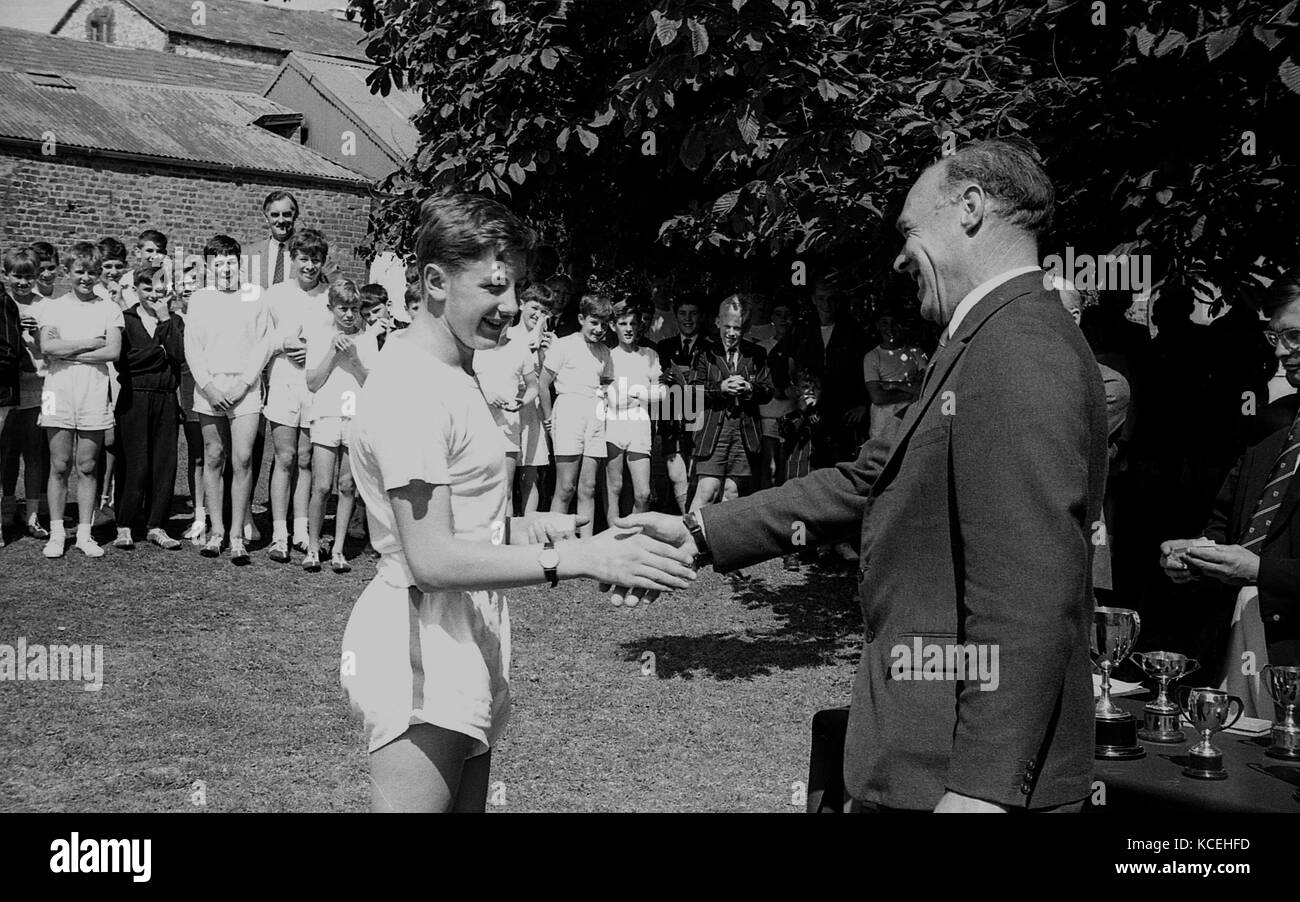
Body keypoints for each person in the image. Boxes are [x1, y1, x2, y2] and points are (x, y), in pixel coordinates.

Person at [618, 140, 1109, 813]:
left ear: (971, 209)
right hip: (922, 758)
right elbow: (867, 479)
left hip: (959, 779)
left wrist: (983, 788)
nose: (900, 256)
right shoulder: (989, 339)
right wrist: (700, 531)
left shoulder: (1018, 347)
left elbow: (1030, 585)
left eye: (910, 230)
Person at [340, 192, 696, 813]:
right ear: (434, 281)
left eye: (516, 288)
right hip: (419, 637)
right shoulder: (412, 389)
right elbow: (431, 559)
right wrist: (575, 559)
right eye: (494, 289)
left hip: (463, 630)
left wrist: (527, 526)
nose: (510, 308)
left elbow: (458, 521)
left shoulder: (456, 371)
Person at [1160, 267, 1300, 713]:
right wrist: (1198, 558)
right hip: (1233, 653)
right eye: (1275, 337)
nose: (1281, 354)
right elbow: (1225, 525)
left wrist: (1261, 572)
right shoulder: (1270, 425)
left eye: (1295, 336)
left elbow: (1255, 562)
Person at [183, 235, 271, 564]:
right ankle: (216, 531)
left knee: (244, 458)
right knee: (213, 457)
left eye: (230, 262)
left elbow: (263, 342)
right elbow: (193, 347)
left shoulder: (255, 296)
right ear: (208, 266)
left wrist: (244, 384)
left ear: (239, 264)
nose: (225, 268)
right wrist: (209, 386)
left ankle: (237, 534)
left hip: (245, 390)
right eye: (217, 263)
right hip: (210, 390)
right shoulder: (200, 300)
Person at [38, 242, 125, 558]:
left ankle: (85, 535)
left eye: (92, 272)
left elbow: (112, 351)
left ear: (99, 274)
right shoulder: (54, 305)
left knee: (87, 465)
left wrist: (69, 352)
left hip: (93, 391)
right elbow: (48, 348)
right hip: (56, 391)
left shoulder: (108, 308)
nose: (86, 278)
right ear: (67, 272)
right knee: (59, 463)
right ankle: (58, 533)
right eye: (79, 272)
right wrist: (90, 343)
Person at [263, 229, 331, 561]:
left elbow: (335, 341)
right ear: (294, 259)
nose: (309, 266)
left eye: (315, 260)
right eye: (303, 258)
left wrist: (313, 353)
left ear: (323, 262)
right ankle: (279, 534)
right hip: (283, 382)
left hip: (314, 385)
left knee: (305, 459)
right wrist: (284, 345)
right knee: (285, 458)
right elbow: (262, 339)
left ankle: (301, 530)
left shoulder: (329, 297)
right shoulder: (274, 294)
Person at [304, 279, 377, 573]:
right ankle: (312, 545)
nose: (348, 314)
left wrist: (355, 358)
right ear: (331, 308)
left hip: (355, 416)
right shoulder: (321, 336)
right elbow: (312, 382)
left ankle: (338, 549)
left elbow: (370, 382)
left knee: (347, 485)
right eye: (342, 308)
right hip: (327, 414)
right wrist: (333, 354)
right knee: (322, 486)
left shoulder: (368, 338)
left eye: (353, 309)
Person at [113, 266, 184, 550]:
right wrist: (160, 352)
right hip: (134, 397)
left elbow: (178, 355)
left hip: (166, 397)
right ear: (137, 290)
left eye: (159, 289)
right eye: (147, 289)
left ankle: (157, 525)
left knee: (163, 463)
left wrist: (166, 321)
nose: (154, 295)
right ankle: (125, 524)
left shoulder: (174, 320)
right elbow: (125, 362)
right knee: (133, 462)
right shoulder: (126, 319)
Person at [604, 299, 663, 603]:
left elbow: (662, 393)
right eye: (622, 324)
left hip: (640, 426)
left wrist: (638, 394)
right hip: (613, 427)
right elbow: (609, 398)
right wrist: (633, 395)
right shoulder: (607, 355)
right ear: (614, 326)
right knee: (614, 486)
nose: (628, 329)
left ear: (639, 326)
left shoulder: (650, 355)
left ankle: (637, 539)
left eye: (632, 324)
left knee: (642, 493)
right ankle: (615, 542)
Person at [541, 293, 613, 538]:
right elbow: (543, 384)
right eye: (594, 322)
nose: (598, 329)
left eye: (603, 324)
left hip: (594, 416)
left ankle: (586, 544)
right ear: (582, 318)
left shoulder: (604, 352)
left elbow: (606, 385)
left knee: (589, 487)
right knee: (565, 486)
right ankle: (554, 543)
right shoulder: (564, 344)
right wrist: (549, 419)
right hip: (568, 412)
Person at [691, 294, 772, 511]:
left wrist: (749, 388)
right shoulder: (704, 352)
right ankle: (687, 540)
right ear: (718, 322)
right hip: (713, 430)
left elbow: (767, 391)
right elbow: (691, 392)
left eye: (737, 328)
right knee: (708, 490)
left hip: (744, 433)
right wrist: (721, 388)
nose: (731, 333)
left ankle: (720, 544)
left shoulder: (757, 353)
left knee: (732, 493)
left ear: (745, 327)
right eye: (727, 326)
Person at [1, 247, 49, 540]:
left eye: (28, 276)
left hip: (37, 386)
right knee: (6, 451)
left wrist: (36, 337)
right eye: (17, 276)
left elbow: (52, 351)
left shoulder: (45, 305)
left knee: (35, 452)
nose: (23, 282)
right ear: (6, 276)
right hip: (7, 386)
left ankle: (33, 514)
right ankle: (7, 510)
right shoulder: (3, 303)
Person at [655, 297, 706, 514]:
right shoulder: (664, 346)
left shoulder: (710, 347)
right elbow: (655, 381)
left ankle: (695, 521)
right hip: (670, 411)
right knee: (675, 472)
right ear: (676, 316)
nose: (688, 319)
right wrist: (664, 376)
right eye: (683, 313)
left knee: (695, 471)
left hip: (699, 412)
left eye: (692, 313)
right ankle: (686, 517)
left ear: (700, 316)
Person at [862, 313, 927, 442]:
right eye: (885, 323)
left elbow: (925, 388)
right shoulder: (872, 357)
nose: (890, 328)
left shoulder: (916, 352)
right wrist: (912, 393)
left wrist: (894, 385)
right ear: (878, 326)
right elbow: (878, 397)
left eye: (894, 323)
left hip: (910, 416)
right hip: (883, 422)